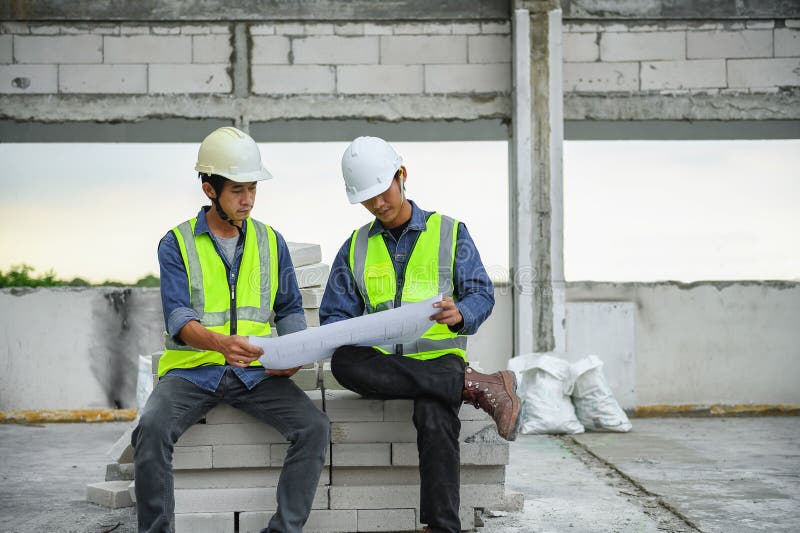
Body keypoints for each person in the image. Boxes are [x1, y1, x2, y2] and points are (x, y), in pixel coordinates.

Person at [132, 127, 330, 533]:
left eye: (253, 188)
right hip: (192, 371)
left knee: (314, 427)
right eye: (238, 190)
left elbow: (289, 307)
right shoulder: (176, 243)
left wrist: (293, 354)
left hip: (255, 373)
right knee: (150, 429)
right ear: (210, 189)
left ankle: (283, 530)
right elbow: (178, 317)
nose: (248, 199)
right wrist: (221, 344)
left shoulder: (271, 241)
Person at [319, 136, 521, 533]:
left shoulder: (450, 232)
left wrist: (461, 312)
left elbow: (480, 292)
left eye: (383, 191)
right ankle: (472, 385)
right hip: (382, 364)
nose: (378, 203)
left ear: (402, 175)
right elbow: (334, 316)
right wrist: (343, 330)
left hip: (438, 359)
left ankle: (442, 527)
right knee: (343, 362)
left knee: (434, 413)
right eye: (368, 198)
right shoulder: (354, 247)